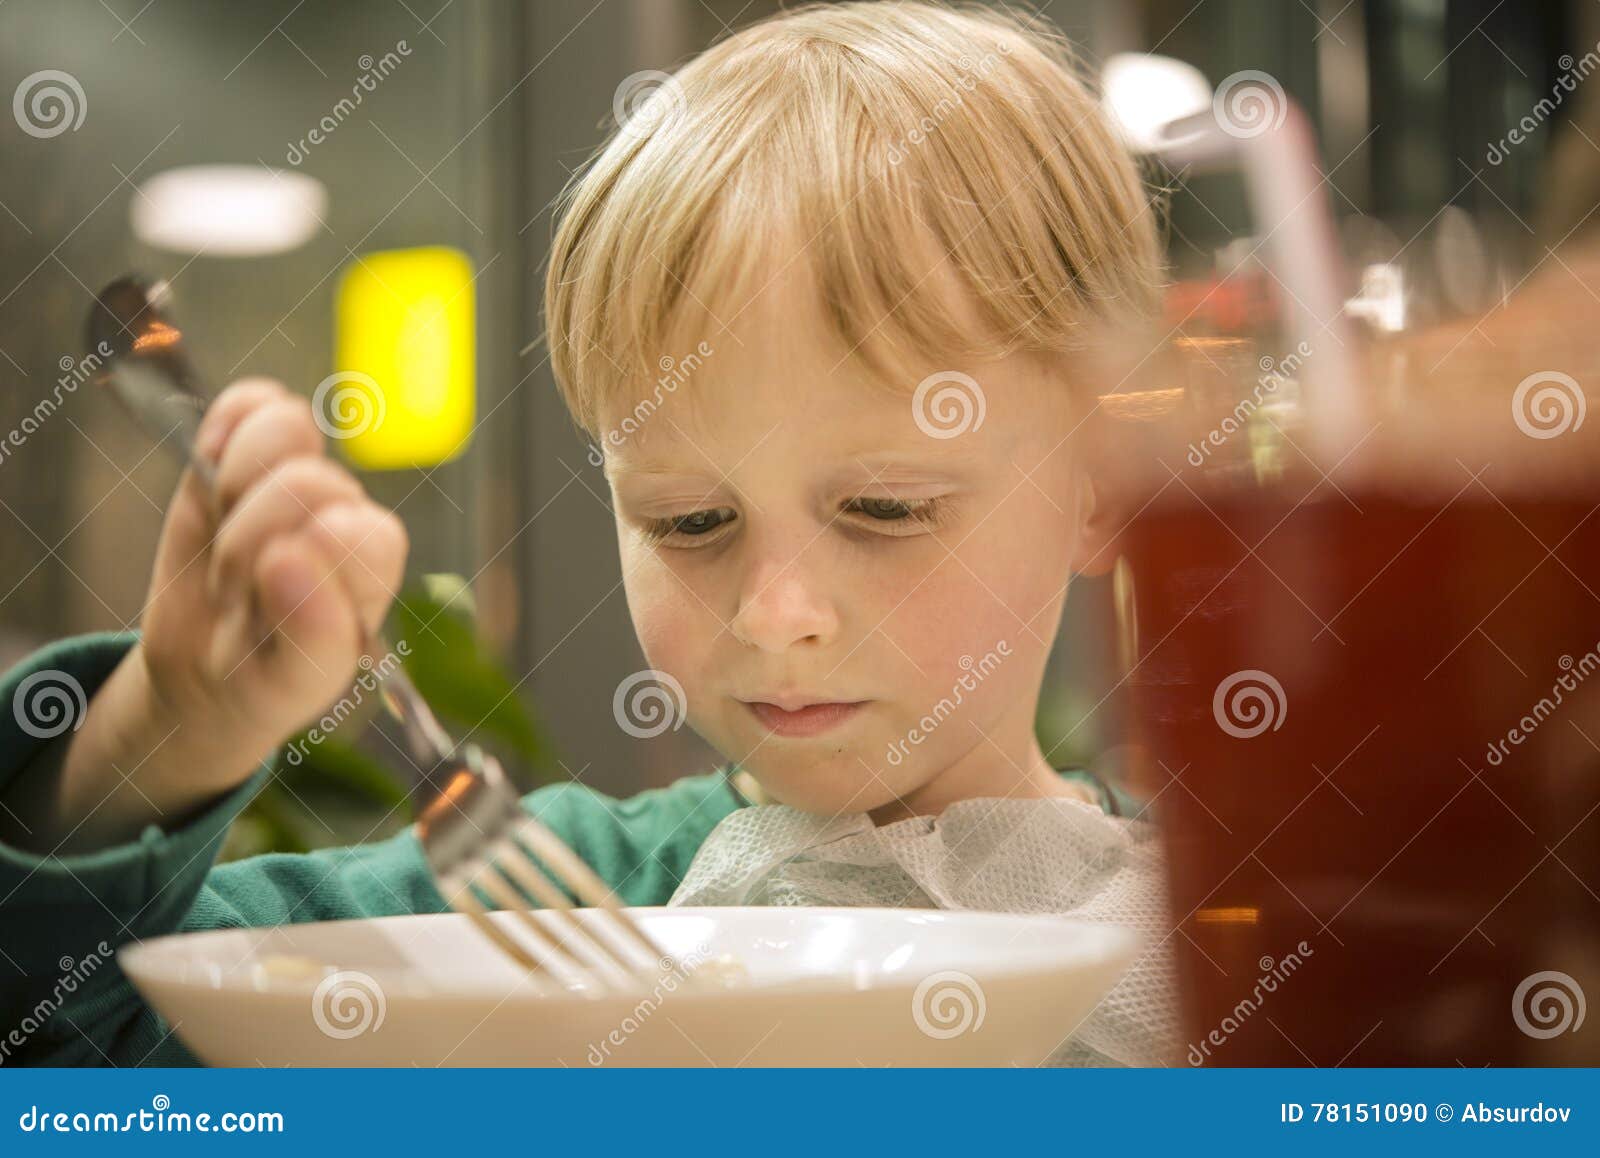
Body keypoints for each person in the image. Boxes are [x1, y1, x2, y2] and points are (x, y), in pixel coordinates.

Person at [0, 0, 1162, 1066]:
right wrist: (160, 732)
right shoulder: (539, 915)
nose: (775, 615)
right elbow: (58, 1056)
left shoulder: (1240, 925)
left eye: (885, 510)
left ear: (1105, 485)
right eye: (690, 520)